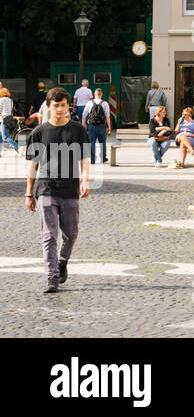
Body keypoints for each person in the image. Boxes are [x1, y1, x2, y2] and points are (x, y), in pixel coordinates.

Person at [24, 87, 91, 293]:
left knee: (71, 234)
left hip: (70, 189)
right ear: (49, 106)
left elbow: (85, 158)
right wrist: (29, 192)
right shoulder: (39, 132)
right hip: (46, 188)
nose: (59, 109)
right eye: (56, 106)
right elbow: (32, 165)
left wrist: (85, 180)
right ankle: (52, 277)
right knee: (49, 235)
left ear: (67, 106)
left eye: (63, 105)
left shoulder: (78, 130)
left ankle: (62, 261)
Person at [82, 88, 113, 165]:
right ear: (101, 94)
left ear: (94, 95)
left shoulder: (89, 103)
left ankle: (92, 160)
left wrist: (84, 124)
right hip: (102, 126)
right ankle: (103, 158)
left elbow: (84, 115)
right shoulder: (105, 103)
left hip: (91, 126)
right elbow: (107, 116)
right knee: (102, 142)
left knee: (92, 142)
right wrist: (109, 127)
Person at [0, 86, 20, 153]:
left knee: (5, 137)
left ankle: (16, 146)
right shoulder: (10, 100)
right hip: (9, 118)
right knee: (0, 136)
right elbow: (11, 110)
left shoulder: (1, 100)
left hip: (3, 119)